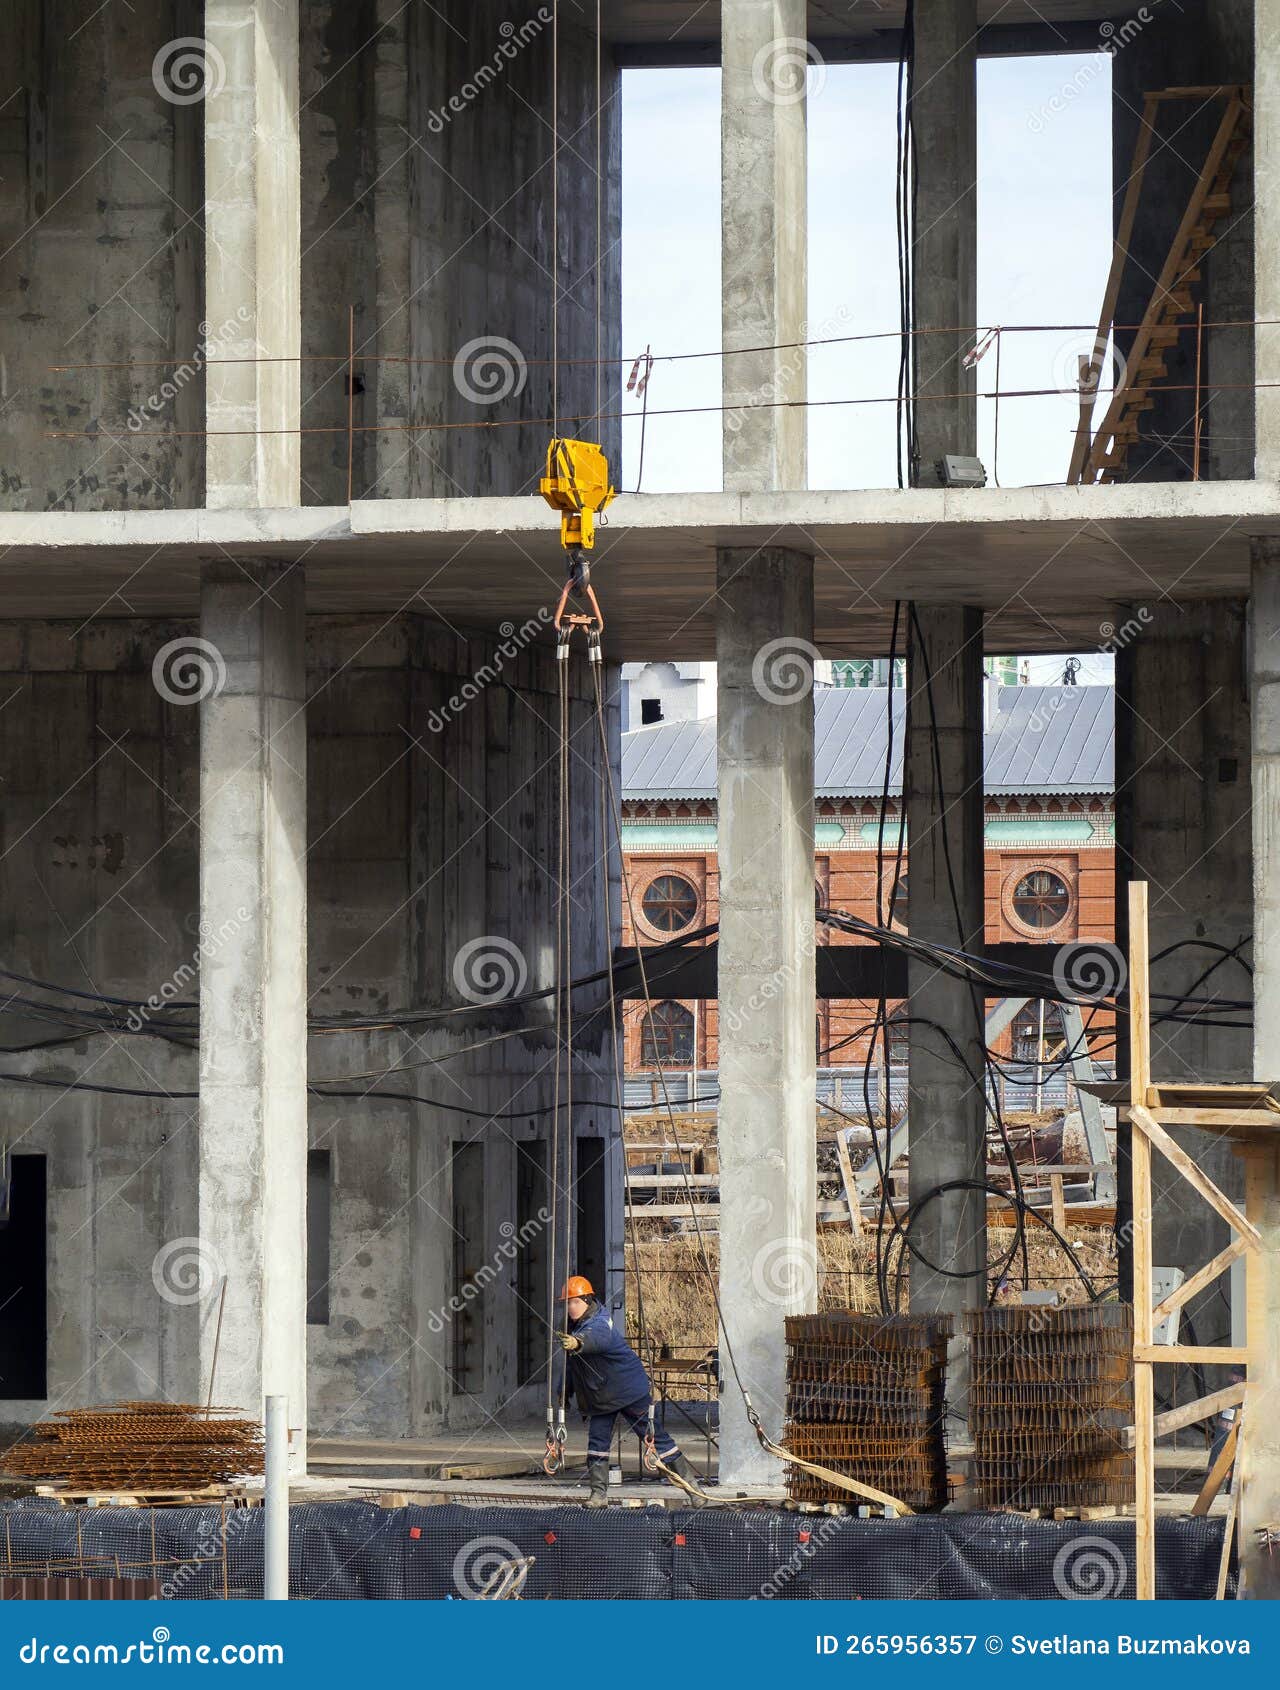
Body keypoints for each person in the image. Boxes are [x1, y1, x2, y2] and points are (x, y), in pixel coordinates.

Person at [556, 1274, 706, 1508]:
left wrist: (578, 1343)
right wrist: (563, 1390)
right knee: (597, 1443)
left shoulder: (599, 1322)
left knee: (656, 1439)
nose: (571, 1307)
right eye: (567, 1303)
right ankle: (599, 1495)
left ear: (587, 1300)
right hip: (601, 1395)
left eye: (575, 1302)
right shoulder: (573, 1327)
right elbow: (573, 1366)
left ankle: (694, 1491)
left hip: (627, 1391)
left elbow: (598, 1339)